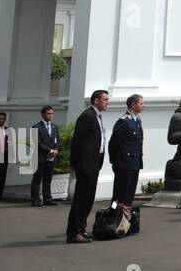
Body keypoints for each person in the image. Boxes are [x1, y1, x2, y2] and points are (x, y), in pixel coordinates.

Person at [67, 90, 109, 243]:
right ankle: (73, 233)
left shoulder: (97, 116)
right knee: (80, 199)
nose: (108, 102)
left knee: (88, 199)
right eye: (105, 99)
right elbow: (77, 141)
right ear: (96, 101)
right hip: (85, 164)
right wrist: (73, 163)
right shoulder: (87, 116)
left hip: (94, 163)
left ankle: (81, 229)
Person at [108, 94, 145, 209]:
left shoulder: (137, 121)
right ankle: (113, 214)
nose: (143, 106)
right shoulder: (124, 121)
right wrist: (115, 161)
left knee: (129, 194)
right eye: (141, 103)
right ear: (133, 105)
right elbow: (113, 144)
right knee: (119, 195)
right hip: (124, 164)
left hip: (134, 163)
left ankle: (125, 217)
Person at [31, 106, 60, 206]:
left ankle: (48, 199)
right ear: (43, 114)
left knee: (48, 179)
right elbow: (37, 142)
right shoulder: (36, 127)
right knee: (37, 179)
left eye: (52, 114)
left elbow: (57, 140)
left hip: (51, 157)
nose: (51, 116)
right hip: (40, 157)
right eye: (49, 113)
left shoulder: (54, 127)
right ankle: (35, 200)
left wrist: (56, 150)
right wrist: (50, 150)